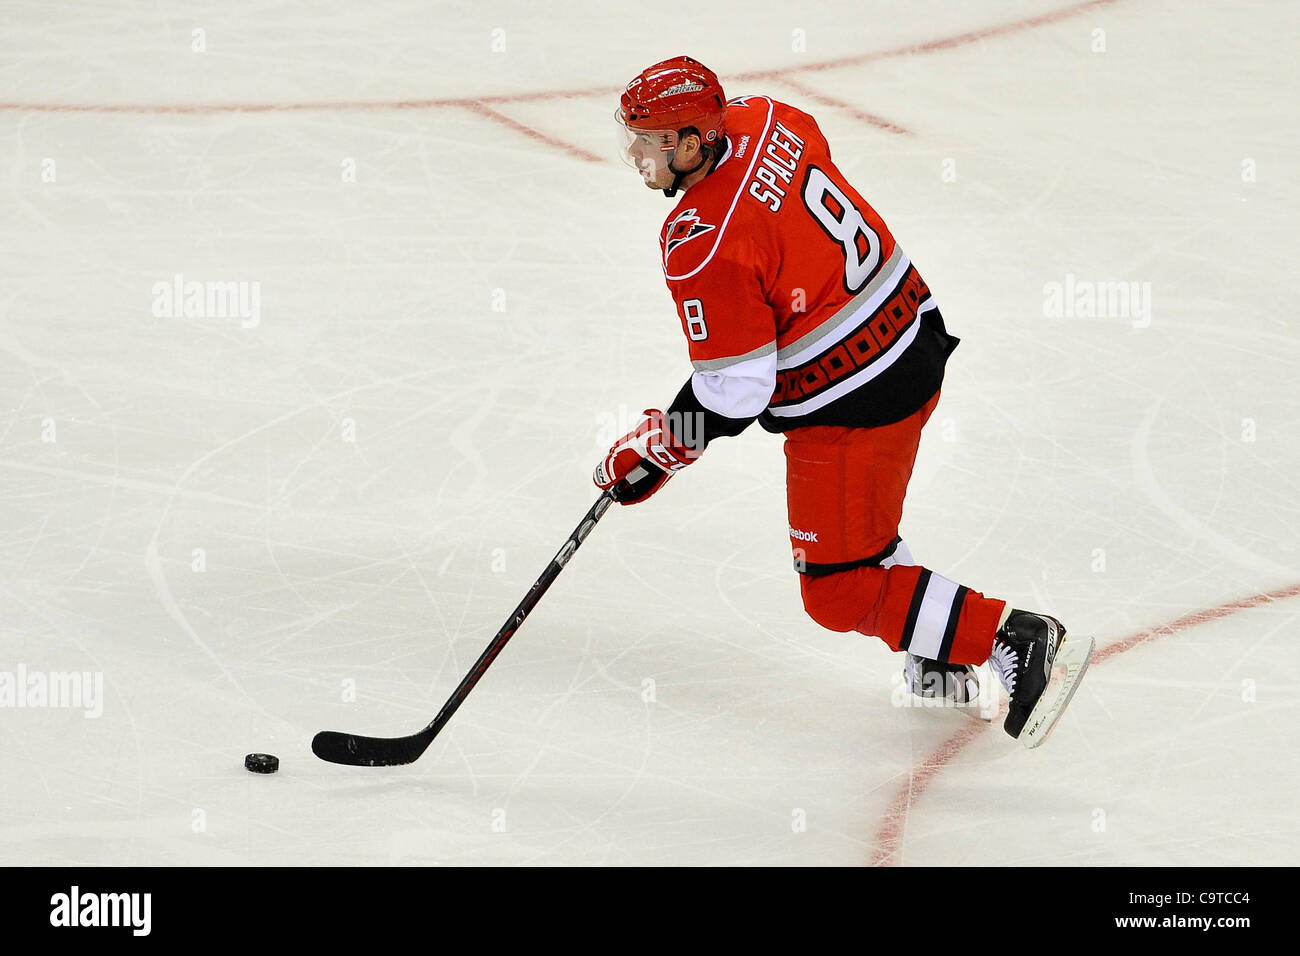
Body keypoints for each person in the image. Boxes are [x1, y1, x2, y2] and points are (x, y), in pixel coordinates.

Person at [593, 56, 1091, 746]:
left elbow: (737, 389)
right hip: (915, 332)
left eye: (649, 141)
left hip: (858, 402)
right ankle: (937, 656)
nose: (637, 155)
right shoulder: (770, 116)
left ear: (691, 141)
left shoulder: (702, 244)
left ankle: (1016, 636)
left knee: (837, 585)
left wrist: (660, 446)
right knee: (865, 531)